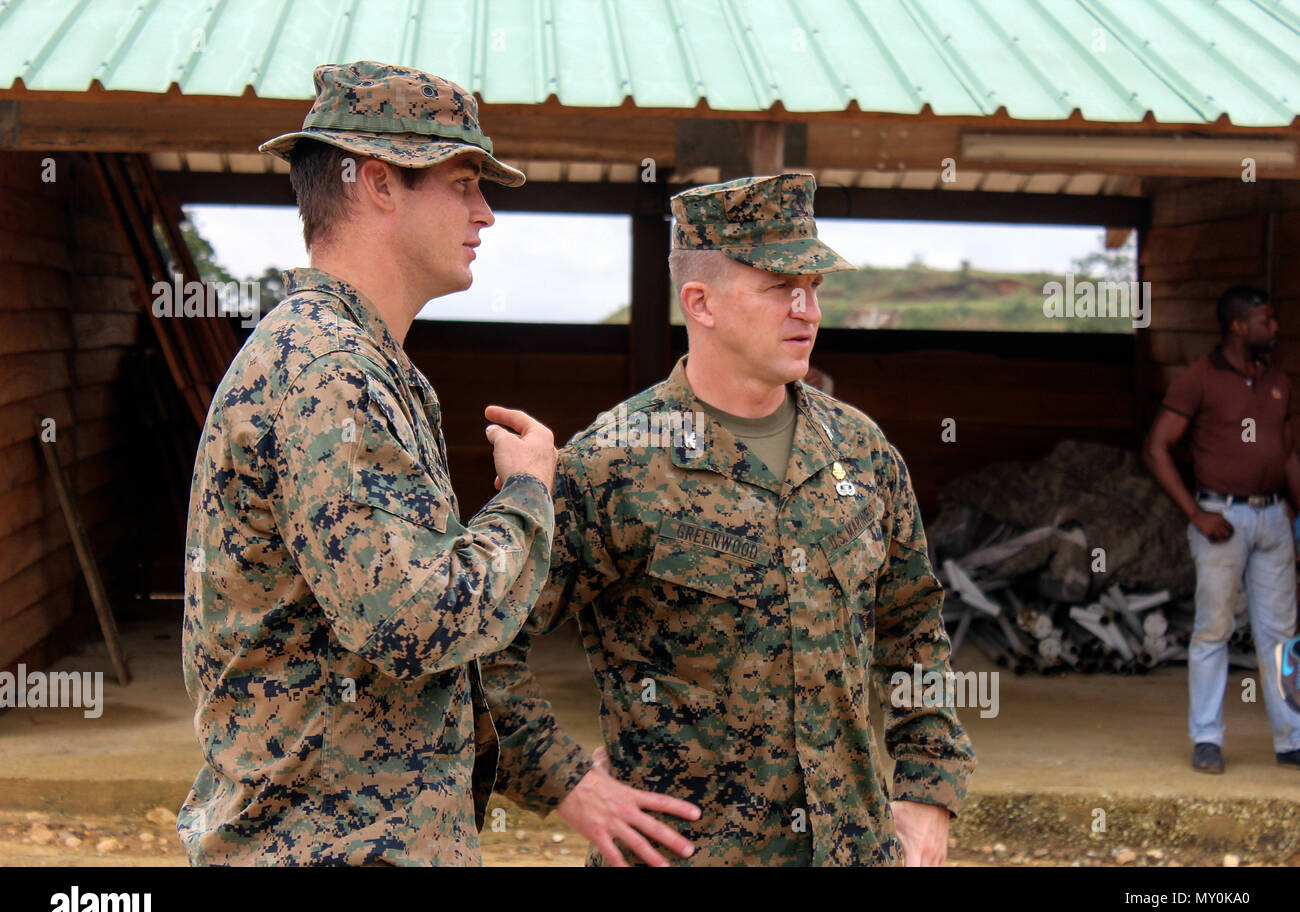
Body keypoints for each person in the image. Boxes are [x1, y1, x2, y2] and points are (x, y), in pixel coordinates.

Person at [482, 173, 977, 866]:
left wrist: (930, 788)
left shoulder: (860, 450)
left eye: (814, 287)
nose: (806, 310)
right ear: (701, 303)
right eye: (779, 287)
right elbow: (478, 641)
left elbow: (913, 625)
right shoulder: (616, 463)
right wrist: (565, 781)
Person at [179, 61, 558, 865]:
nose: (485, 213)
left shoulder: (340, 356)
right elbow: (411, 621)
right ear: (379, 183)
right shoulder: (331, 369)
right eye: (462, 183)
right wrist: (528, 496)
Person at [1144, 284, 1300, 774]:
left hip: (1274, 517)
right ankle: (1207, 738)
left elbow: (1290, 454)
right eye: (1266, 321)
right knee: (1213, 629)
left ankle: (1292, 738)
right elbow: (1156, 448)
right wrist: (1196, 513)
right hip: (1222, 519)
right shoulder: (1200, 379)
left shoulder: (1279, 380)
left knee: (1282, 635)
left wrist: (1298, 516)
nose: (1275, 329)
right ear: (1238, 326)